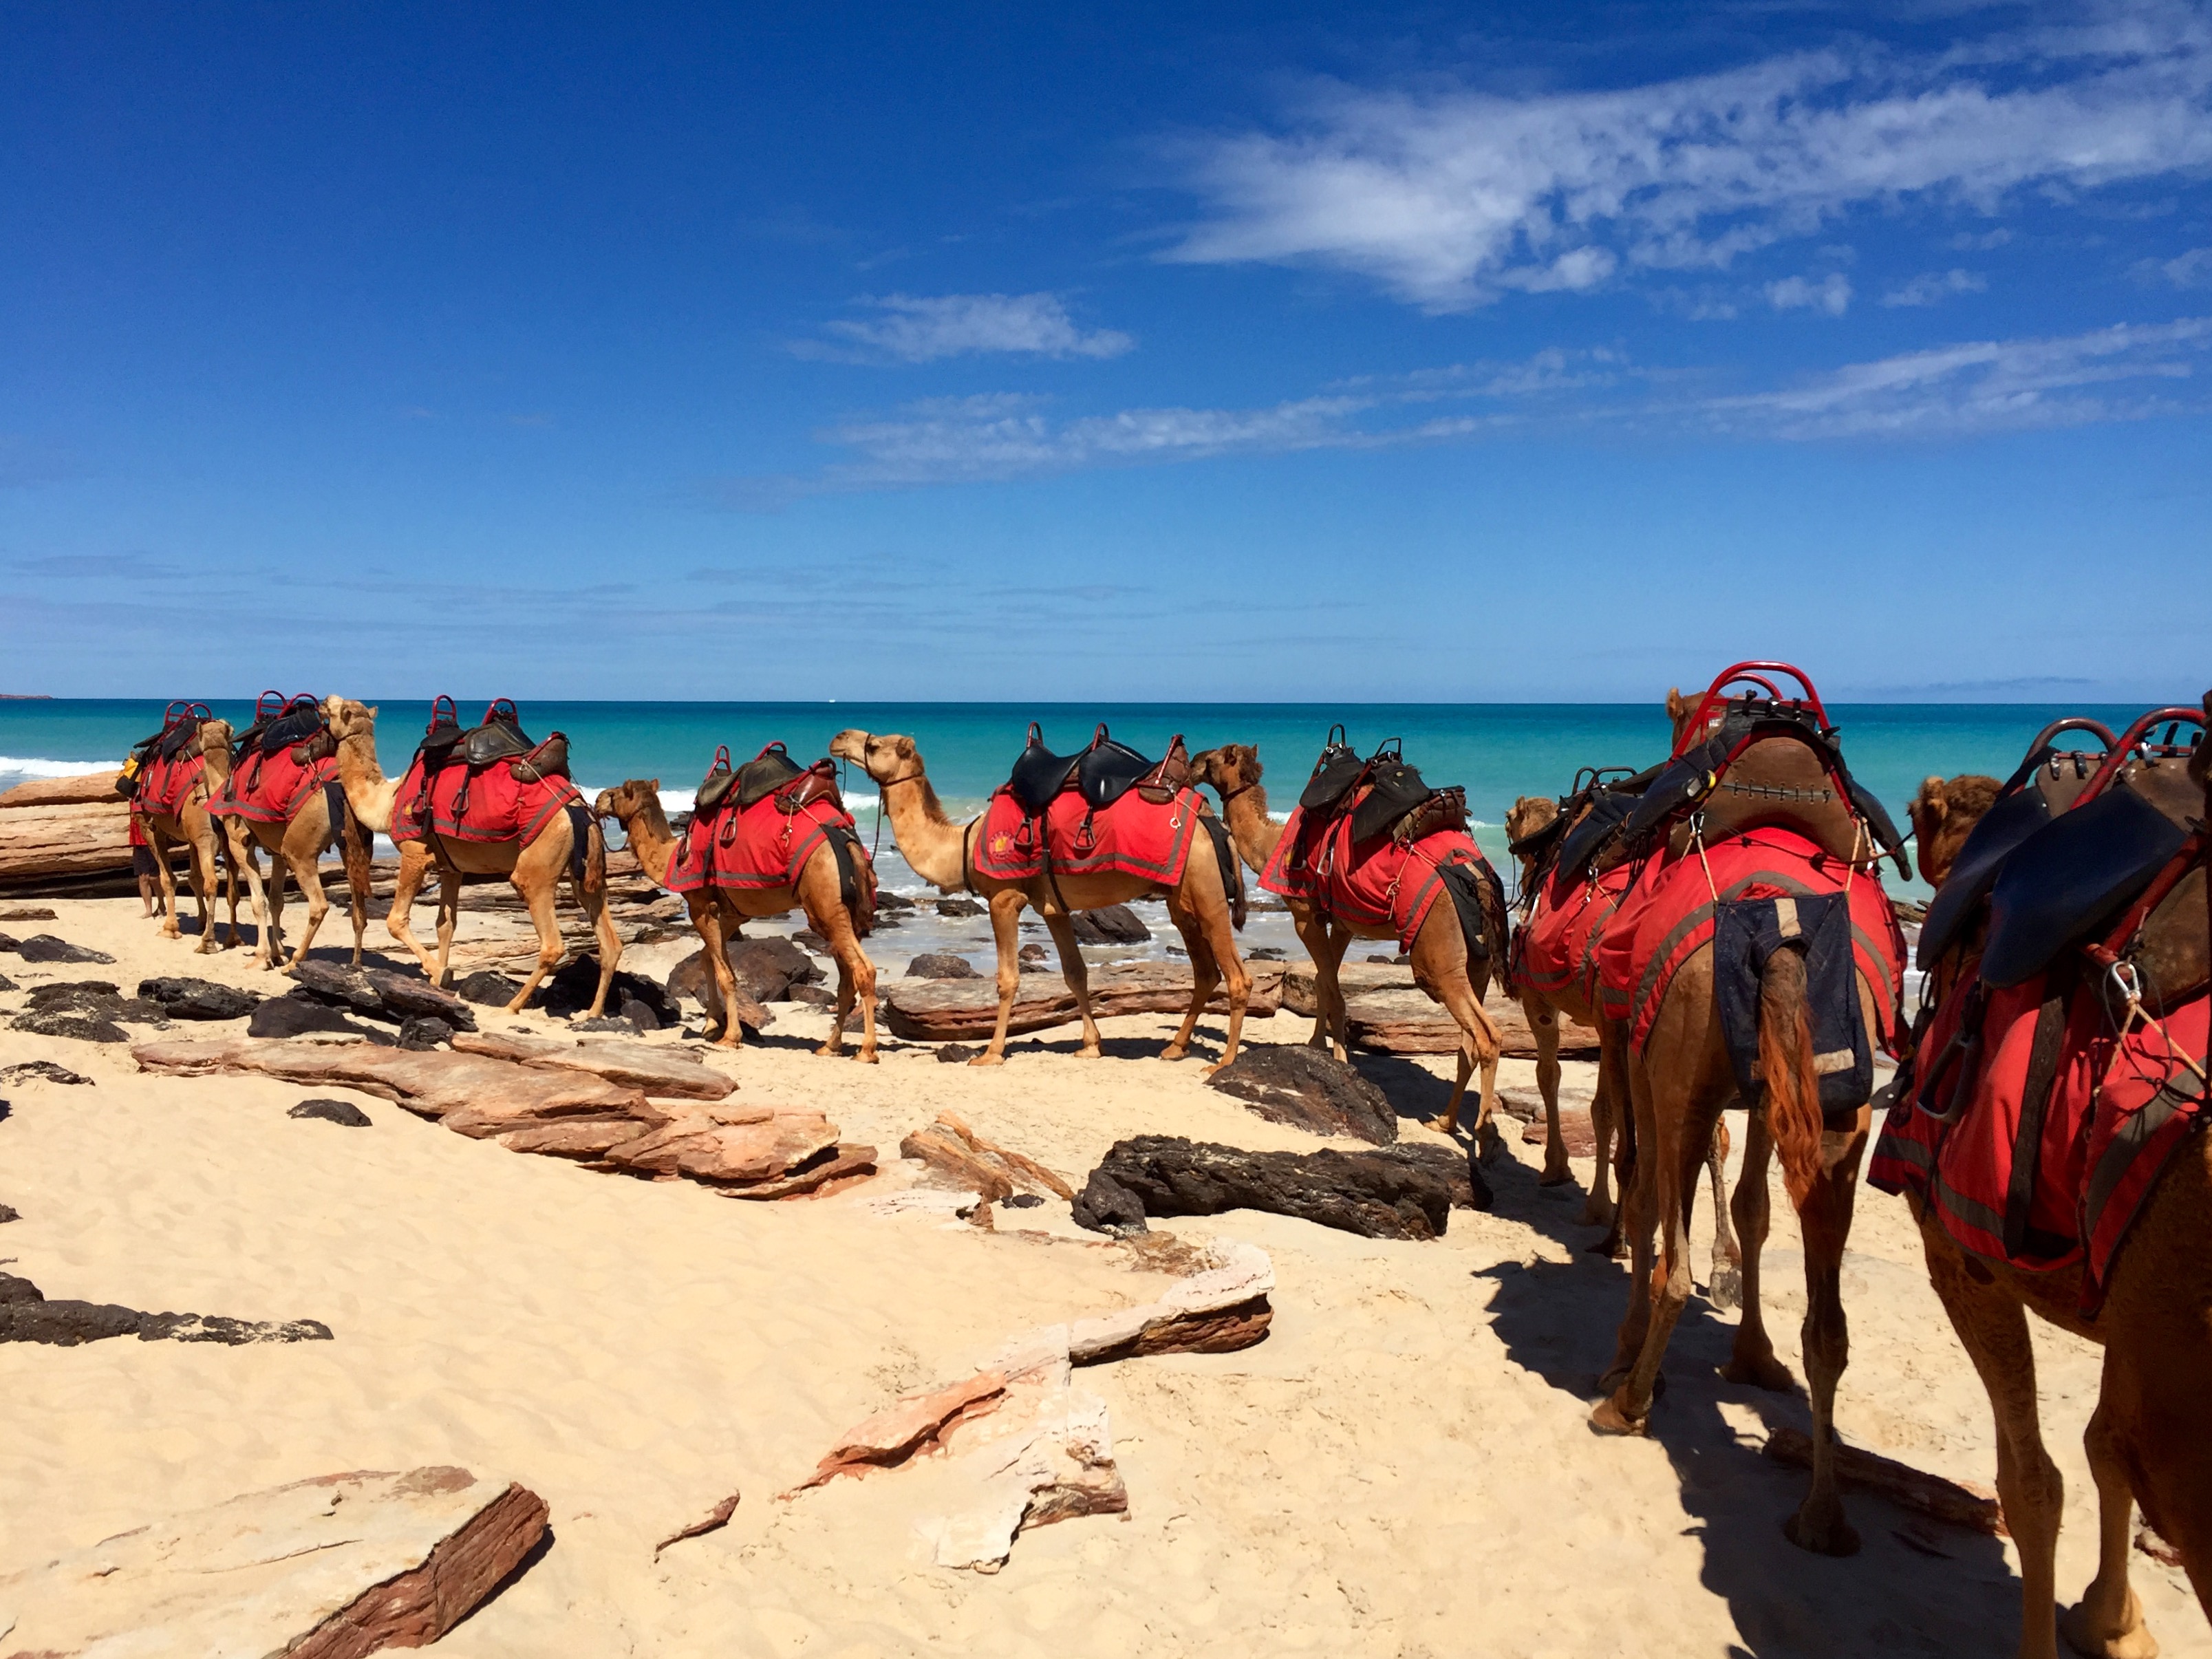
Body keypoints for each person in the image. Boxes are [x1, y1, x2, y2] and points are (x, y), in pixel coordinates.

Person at [129, 809, 164, 918]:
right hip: (138, 841)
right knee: (143, 877)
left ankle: (161, 905)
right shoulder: (132, 799)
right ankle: (148, 910)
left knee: (154, 877)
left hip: (151, 841)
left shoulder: (146, 797)